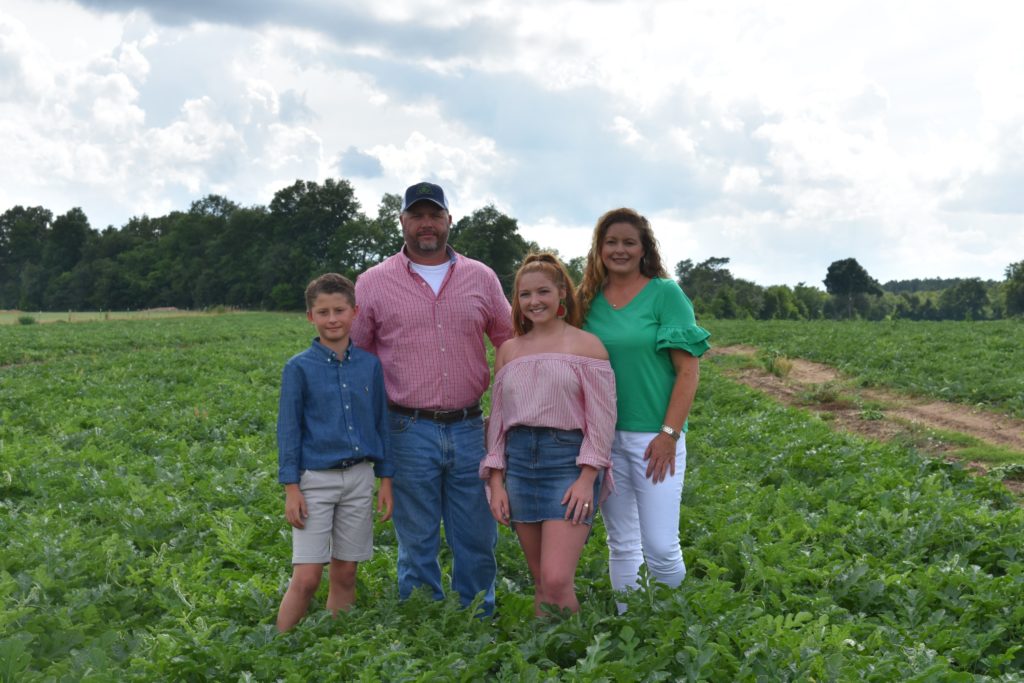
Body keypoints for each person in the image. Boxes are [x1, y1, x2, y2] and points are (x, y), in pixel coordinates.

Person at [351, 181, 514, 615]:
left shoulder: (481, 277)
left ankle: (478, 619)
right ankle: (425, 628)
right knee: (417, 538)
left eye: (434, 215)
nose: (427, 224)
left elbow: (510, 342)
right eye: (417, 215)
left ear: (449, 220)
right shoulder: (373, 283)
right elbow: (357, 358)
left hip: (468, 428)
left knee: (476, 537)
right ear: (402, 221)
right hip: (405, 427)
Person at [577, 208, 711, 610]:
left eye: (628, 242)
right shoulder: (586, 301)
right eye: (611, 242)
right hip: (603, 438)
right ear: (599, 249)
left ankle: (671, 628)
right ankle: (630, 623)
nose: (619, 250)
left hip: (655, 437)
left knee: (661, 545)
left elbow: (687, 371)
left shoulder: (665, 294)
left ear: (643, 249)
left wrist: (669, 435)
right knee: (622, 542)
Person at [480, 253, 616, 616]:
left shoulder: (588, 346)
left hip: (567, 462)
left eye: (542, 292)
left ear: (561, 295)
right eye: (524, 295)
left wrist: (588, 477)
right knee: (540, 580)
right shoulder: (509, 351)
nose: (533, 301)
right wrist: (495, 481)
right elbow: (498, 421)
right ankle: (544, 661)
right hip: (520, 463)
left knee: (557, 580)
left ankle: (579, 662)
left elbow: (602, 420)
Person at [275, 273, 394, 632]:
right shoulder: (298, 368)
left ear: (354, 312)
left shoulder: (369, 366)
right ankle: (278, 645)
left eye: (339, 310)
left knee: (346, 571)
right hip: (315, 481)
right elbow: (288, 431)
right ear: (310, 316)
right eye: (323, 312)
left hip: (358, 478)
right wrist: (291, 488)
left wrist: (385, 479)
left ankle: (336, 646)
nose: (332, 319)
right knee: (308, 576)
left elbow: (381, 423)